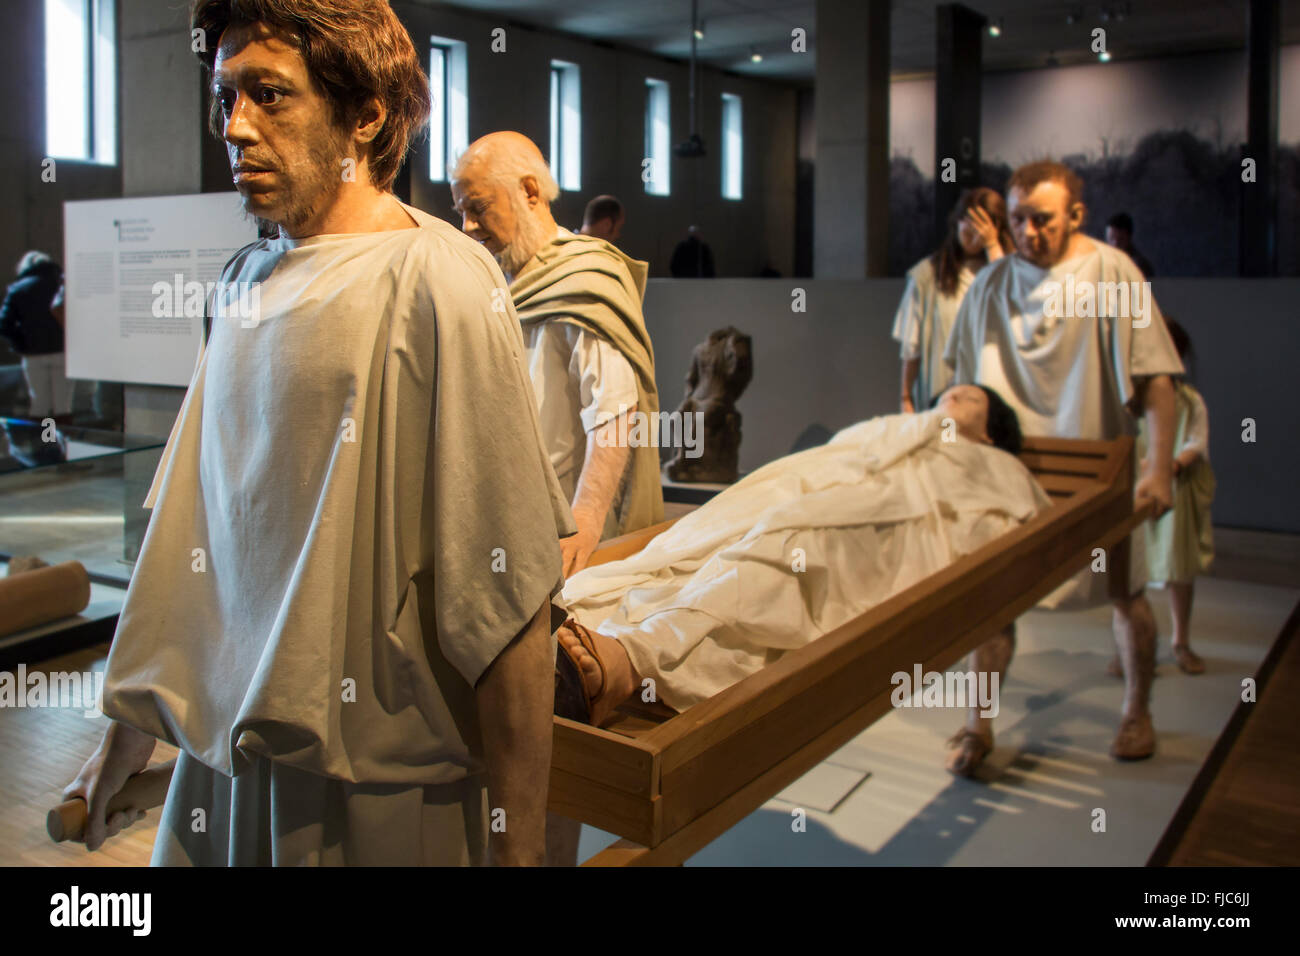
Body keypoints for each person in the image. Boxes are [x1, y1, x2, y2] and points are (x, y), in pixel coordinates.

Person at [64, 0, 573, 867]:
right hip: (220, 764)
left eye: (270, 95)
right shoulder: (239, 282)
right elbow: (195, 544)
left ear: (366, 115)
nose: (236, 127)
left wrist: (521, 849)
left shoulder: (439, 279)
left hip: (373, 796)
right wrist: (122, 745)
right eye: (226, 97)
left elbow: (509, 602)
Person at [555, 385, 1046, 725]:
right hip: (810, 484)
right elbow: (835, 455)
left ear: (991, 432)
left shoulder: (993, 464)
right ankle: (585, 613)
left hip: (881, 519)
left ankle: (630, 657)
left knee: (789, 548)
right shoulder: (892, 429)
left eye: (971, 397)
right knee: (703, 540)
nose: (953, 394)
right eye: (948, 392)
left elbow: (1009, 521)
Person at [943, 160, 1183, 772]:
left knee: (1124, 592)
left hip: (1100, 467)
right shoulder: (992, 285)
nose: (1029, 231)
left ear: (1075, 214)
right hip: (1009, 471)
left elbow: (1158, 379)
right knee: (991, 598)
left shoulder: (1113, 272)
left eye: (1042, 219)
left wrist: (1157, 465)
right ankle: (979, 724)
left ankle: (1137, 710)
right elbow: (960, 386)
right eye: (1018, 218)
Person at [451, 132, 663, 576]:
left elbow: (614, 411)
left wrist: (585, 520)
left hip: (563, 536)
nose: (467, 226)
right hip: (502, 524)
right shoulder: (497, 282)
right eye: (462, 212)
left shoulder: (586, 278)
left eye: (478, 207)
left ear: (529, 192)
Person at [1135, 318, 1214, 675]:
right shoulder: (1129, 401)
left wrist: (1170, 467)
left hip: (1175, 489)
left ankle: (1180, 641)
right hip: (1135, 490)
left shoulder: (1189, 400)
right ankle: (1130, 650)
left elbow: (1196, 441)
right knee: (1129, 571)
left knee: (1179, 567)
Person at [892, 188, 1011, 413]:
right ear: (956, 222)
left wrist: (992, 246)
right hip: (943, 392)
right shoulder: (928, 276)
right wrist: (905, 398)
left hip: (992, 394)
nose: (973, 230)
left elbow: (1006, 293)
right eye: (967, 220)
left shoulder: (1006, 272)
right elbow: (912, 345)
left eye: (983, 223)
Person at [0, 251, 71, 419]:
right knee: (63, 406)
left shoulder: (18, 288)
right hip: (62, 351)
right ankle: (61, 442)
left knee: (39, 404)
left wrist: (20, 344)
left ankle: (43, 441)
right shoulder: (61, 285)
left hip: (33, 354)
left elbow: (4, 324)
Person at [1105, 212, 1155, 279]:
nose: (1115, 244)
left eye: (1121, 239)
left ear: (1129, 237)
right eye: (1111, 238)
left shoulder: (1139, 266)